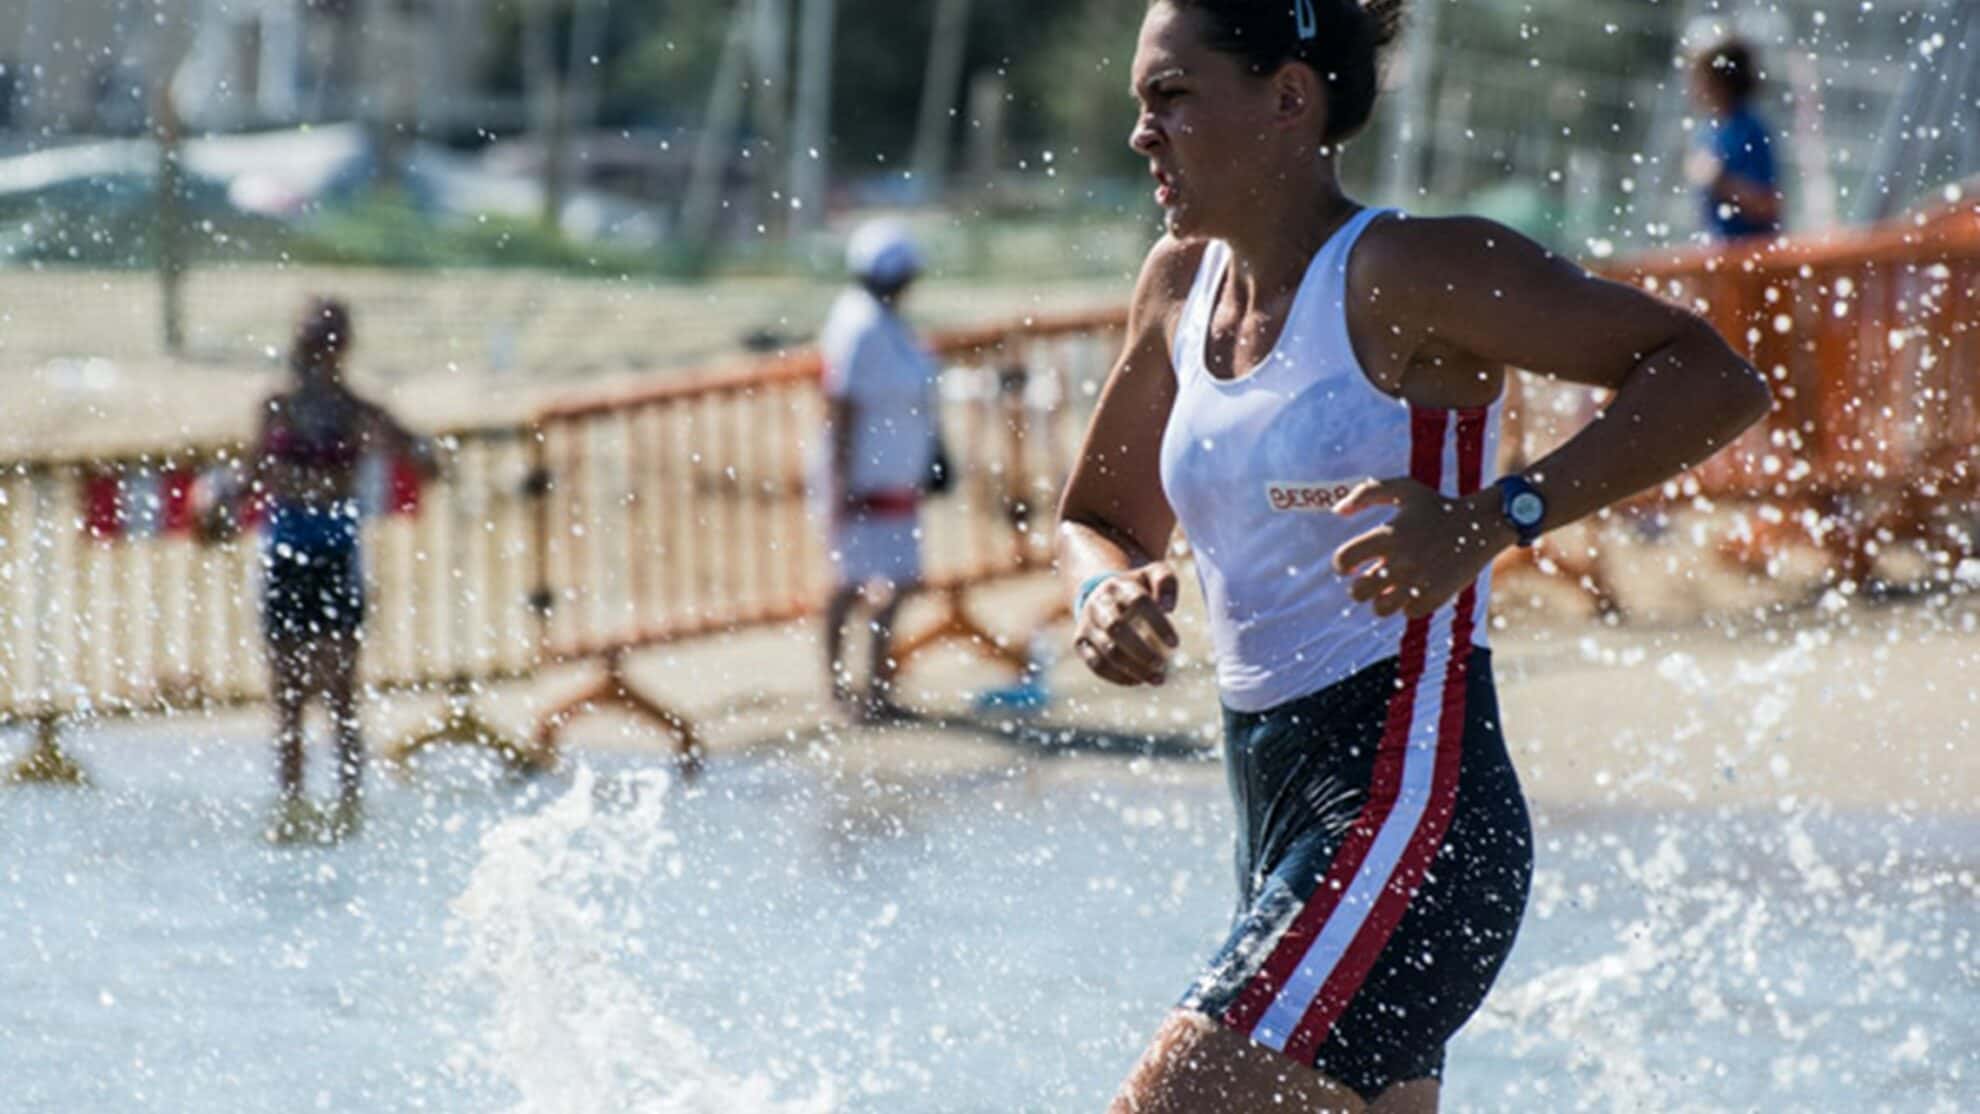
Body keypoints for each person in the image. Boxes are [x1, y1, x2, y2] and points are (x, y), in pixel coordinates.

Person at [1055, 2, 1772, 1111]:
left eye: (1172, 98)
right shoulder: (1174, 285)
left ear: (1291, 98)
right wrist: (1103, 591)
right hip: (1279, 816)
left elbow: (1712, 376)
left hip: (1413, 819)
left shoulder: (1415, 269)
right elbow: (1098, 512)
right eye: (1140, 106)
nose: (1143, 135)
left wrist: (1497, 516)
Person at [249, 297, 436, 841]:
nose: (319, 348)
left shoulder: (359, 410)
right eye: (313, 337)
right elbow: (255, 470)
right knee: (286, 698)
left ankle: (351, 808)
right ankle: (292, 810)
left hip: (334, 550)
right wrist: (217, 500)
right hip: (286, 550)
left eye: (328, 337)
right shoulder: (277, 407)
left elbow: (423, 456)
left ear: (344, 345)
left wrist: (419, 454)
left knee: (339, 692)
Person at [816, 221, 945, 722]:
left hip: (896, 469)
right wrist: (840, 482)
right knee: (849, 583)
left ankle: (876, 685)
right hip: (860, 474)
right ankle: (838, 686)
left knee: (900, 580)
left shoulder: (891, 323)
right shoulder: (858, 323)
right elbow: (840, 405)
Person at [1687, 36, 1783, 241]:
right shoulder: (1707, 130)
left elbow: (1768, 205)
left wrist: (1721, 183)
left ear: (1721, 82)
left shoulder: (1749, 130)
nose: (1692, 87)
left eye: (1699, 77)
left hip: (1750, 254)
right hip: (1718, 250)